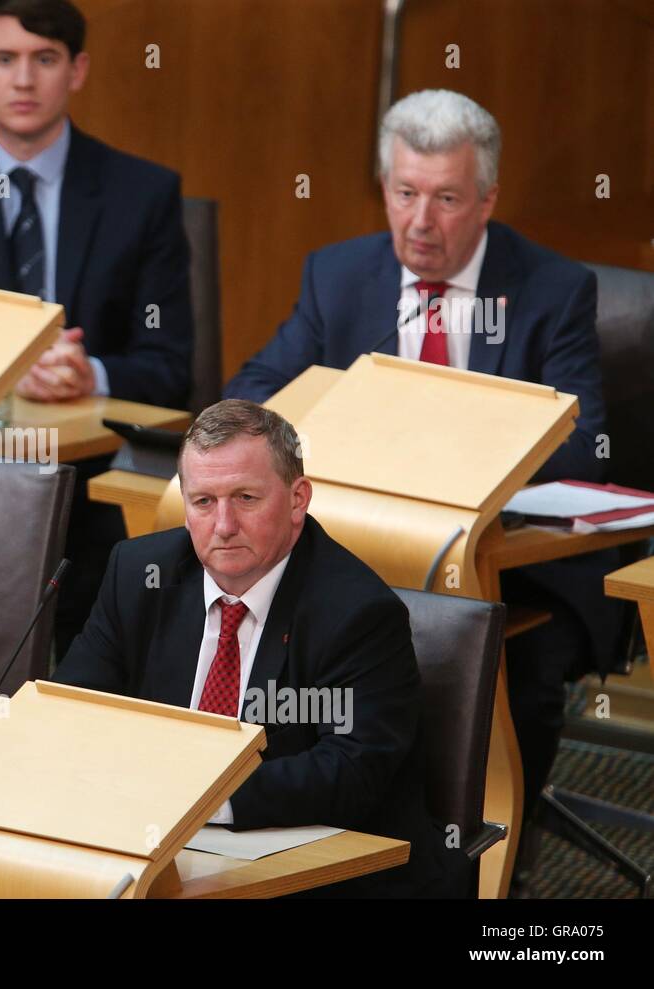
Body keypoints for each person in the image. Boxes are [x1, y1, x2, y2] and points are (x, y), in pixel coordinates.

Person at [223, 88, 625, 847]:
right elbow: (254, 397)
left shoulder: (553, 289)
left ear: (487, 199)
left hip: (517, 566)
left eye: (445, 198)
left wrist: (449, 454)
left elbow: (585, 445)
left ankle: (498, 854)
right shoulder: (337, 276)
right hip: (362, 555)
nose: (420, 220)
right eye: (404, 193)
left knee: (523, 674)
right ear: (385, 187)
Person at [54, 400, 466, 897]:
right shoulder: (139, 575)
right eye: (203, 502)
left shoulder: (357, 611)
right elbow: (72, 711)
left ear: (297, 499)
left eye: (245, 498)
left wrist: (196, 801)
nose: (223, 525)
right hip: (156, 847)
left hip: (320, 872)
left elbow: (353, 771)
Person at [0, 0, 194, 653]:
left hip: (90, 480)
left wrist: (93, 373)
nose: (23, 81)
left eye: (44, 60)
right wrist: (4, 366)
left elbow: (172, 366)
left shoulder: (144, 194)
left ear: (77, 70)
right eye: (5, 60)